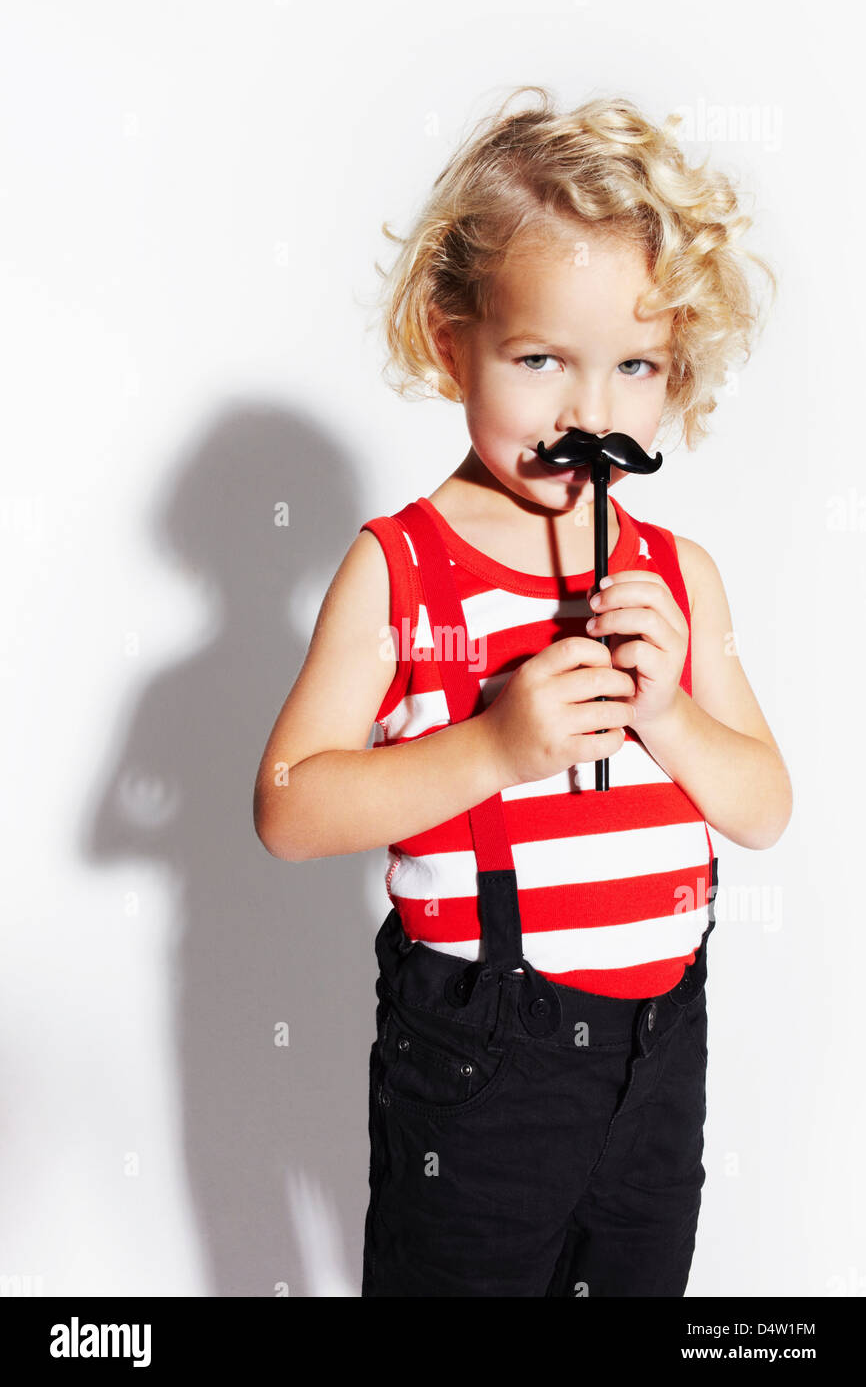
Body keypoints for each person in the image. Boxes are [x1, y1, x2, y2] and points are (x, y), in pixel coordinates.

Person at [253, 87, 793, 1297]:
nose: (587, 415)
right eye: (540, 359)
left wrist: (668, 712)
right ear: (453, 343)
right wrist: (492, 745)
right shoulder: (399, 567)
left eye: (635, 366)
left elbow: (761, 804)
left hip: (659, 1055)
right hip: (483, 1066)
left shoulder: (672, 574)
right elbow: (289, 805)